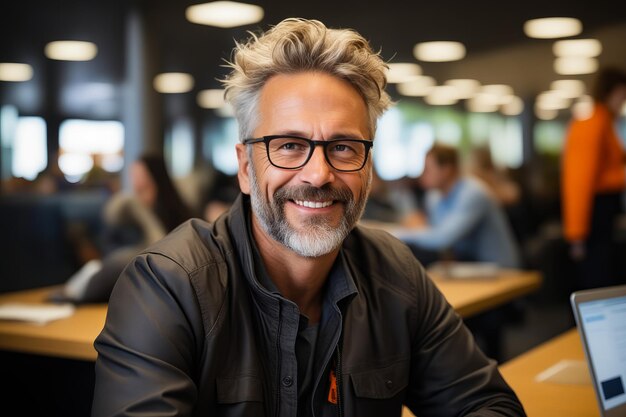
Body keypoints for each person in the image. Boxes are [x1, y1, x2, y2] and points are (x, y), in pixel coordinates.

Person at [91, 18, 525, 417]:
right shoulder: (169, 286)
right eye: (289, 145)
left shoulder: (395, 275)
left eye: (343, 147)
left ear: (368, 166)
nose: (319, 174)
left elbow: (489, 406)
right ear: (246, 167)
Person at [52, 152, 193, 303]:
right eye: (135, 180)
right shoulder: (126, 212)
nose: (136, 185)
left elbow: (160, 249)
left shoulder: (174, 213)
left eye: (145, 185)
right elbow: (108, 251)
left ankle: (74, 295)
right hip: (121, 282)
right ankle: (73, 295)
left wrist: (142, 213)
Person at [393, 143, 521, 268]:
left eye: (428, 169)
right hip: (470, 266)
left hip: (501, 269)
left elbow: (442, 238)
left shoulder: (472, 193)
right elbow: (433, 231)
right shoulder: (434, 197)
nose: (422, 174)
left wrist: (400, 233)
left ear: (447, 169)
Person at [561, 67, 626, 290]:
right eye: (622, 95)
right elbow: (579, 183)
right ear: (614, 91)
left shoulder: (606, 123)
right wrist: (576, 235)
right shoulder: (592, 124)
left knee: (605, 277)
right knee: (595, 281)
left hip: (603, 217)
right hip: (594, 219)